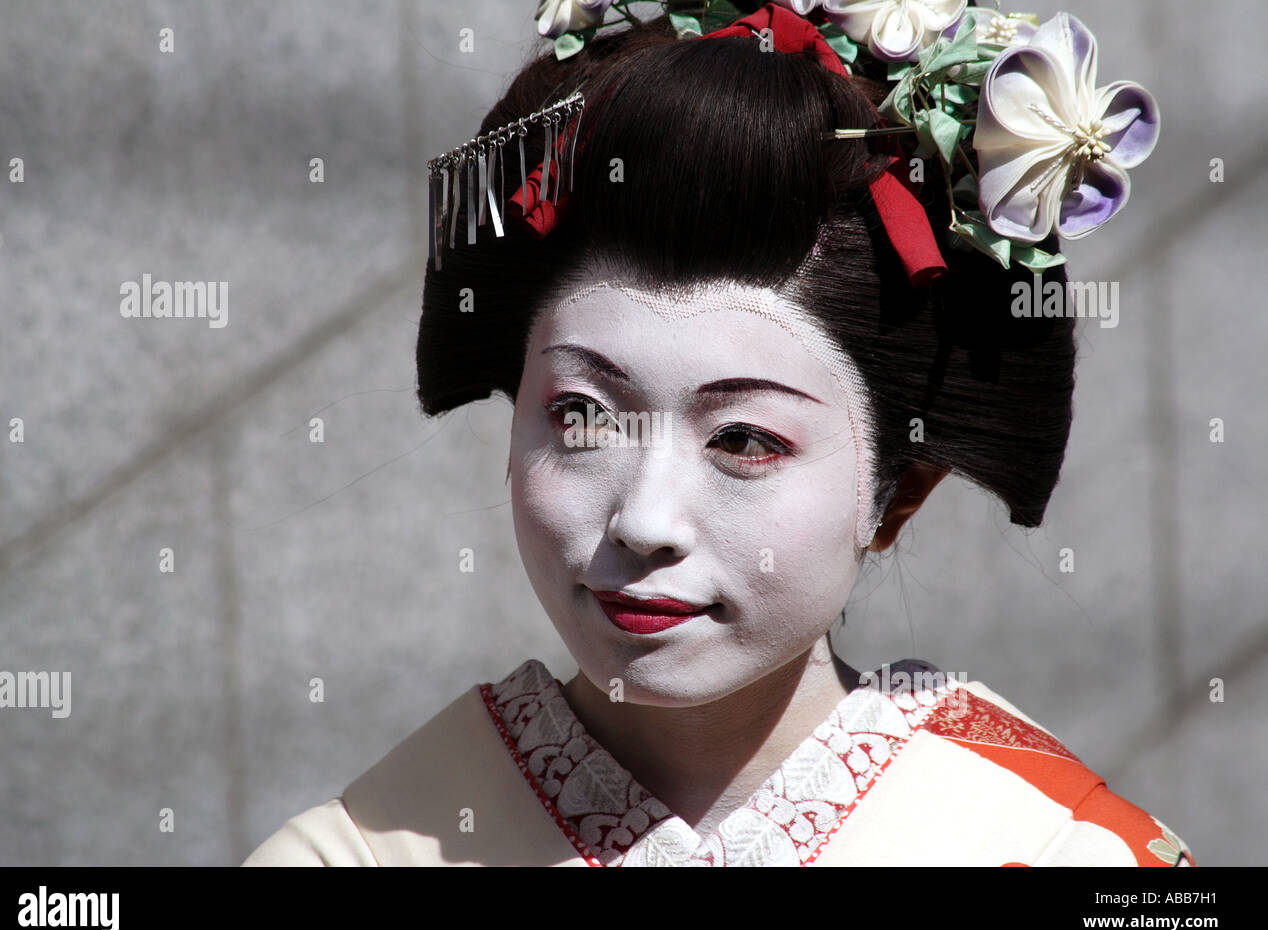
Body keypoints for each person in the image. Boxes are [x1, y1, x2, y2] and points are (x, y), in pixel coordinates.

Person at [244, 2, 1190, 866]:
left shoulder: (1069, 853)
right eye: (581, 415)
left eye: (744, 440)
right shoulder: (356, 857)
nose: (645, 521)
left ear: (898, 490)